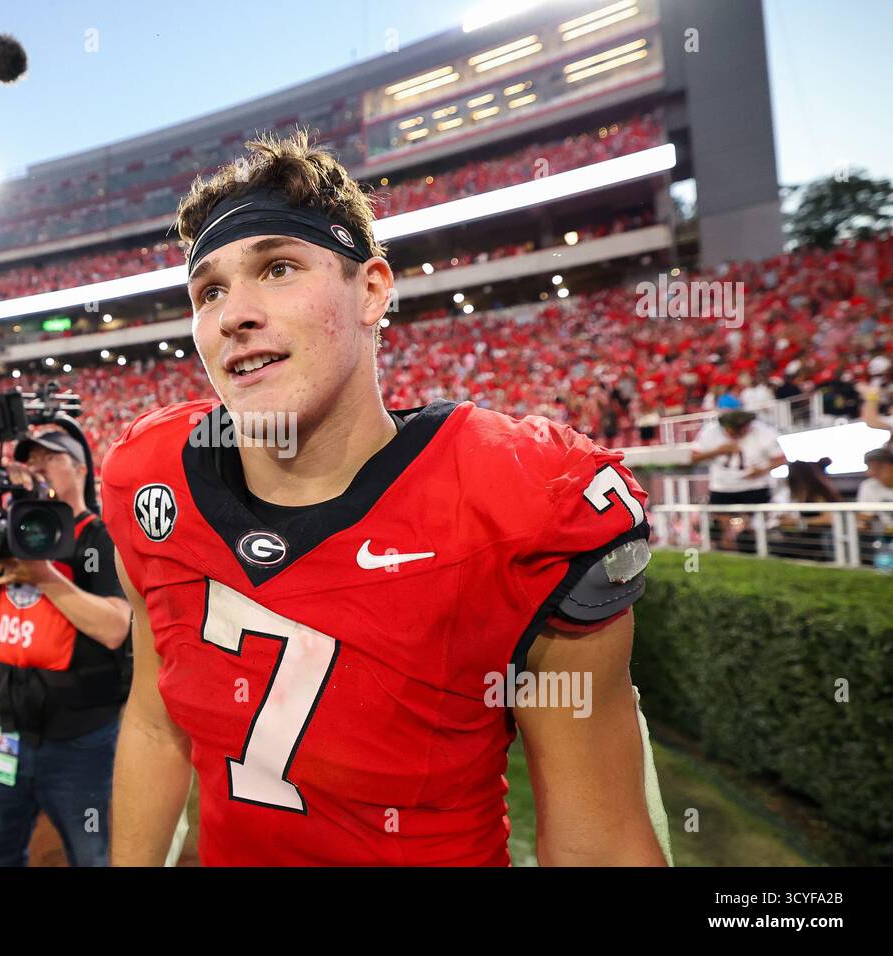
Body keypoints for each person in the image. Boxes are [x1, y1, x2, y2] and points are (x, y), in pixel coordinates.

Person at [99, 130, 668, 866]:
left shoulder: (516, 498)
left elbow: (601, 845)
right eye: (210, 290)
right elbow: (153, 721)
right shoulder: (150, 479)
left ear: (371, 290)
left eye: (276, 268)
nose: (234, 311)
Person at [0, 428, 132, 867]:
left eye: (50, 458)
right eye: (30, 459)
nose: (36, 467)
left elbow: (116, 627)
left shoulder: (101, 537)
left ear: (80, 469)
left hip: (80, 737)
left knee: (90, 855)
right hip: (9, 728)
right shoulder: (8, 532)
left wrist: (44, 576)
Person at [690, 402, 787, 550]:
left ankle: (756, 548)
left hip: (756, 486)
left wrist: (761, 471)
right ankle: (727, 547)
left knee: (756, 522)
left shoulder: (764, 432)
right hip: (722, 486)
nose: (737, 433)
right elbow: (694, 457)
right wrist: (718, 451)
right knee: (722, 521)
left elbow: (781, 459)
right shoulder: (710, 432)